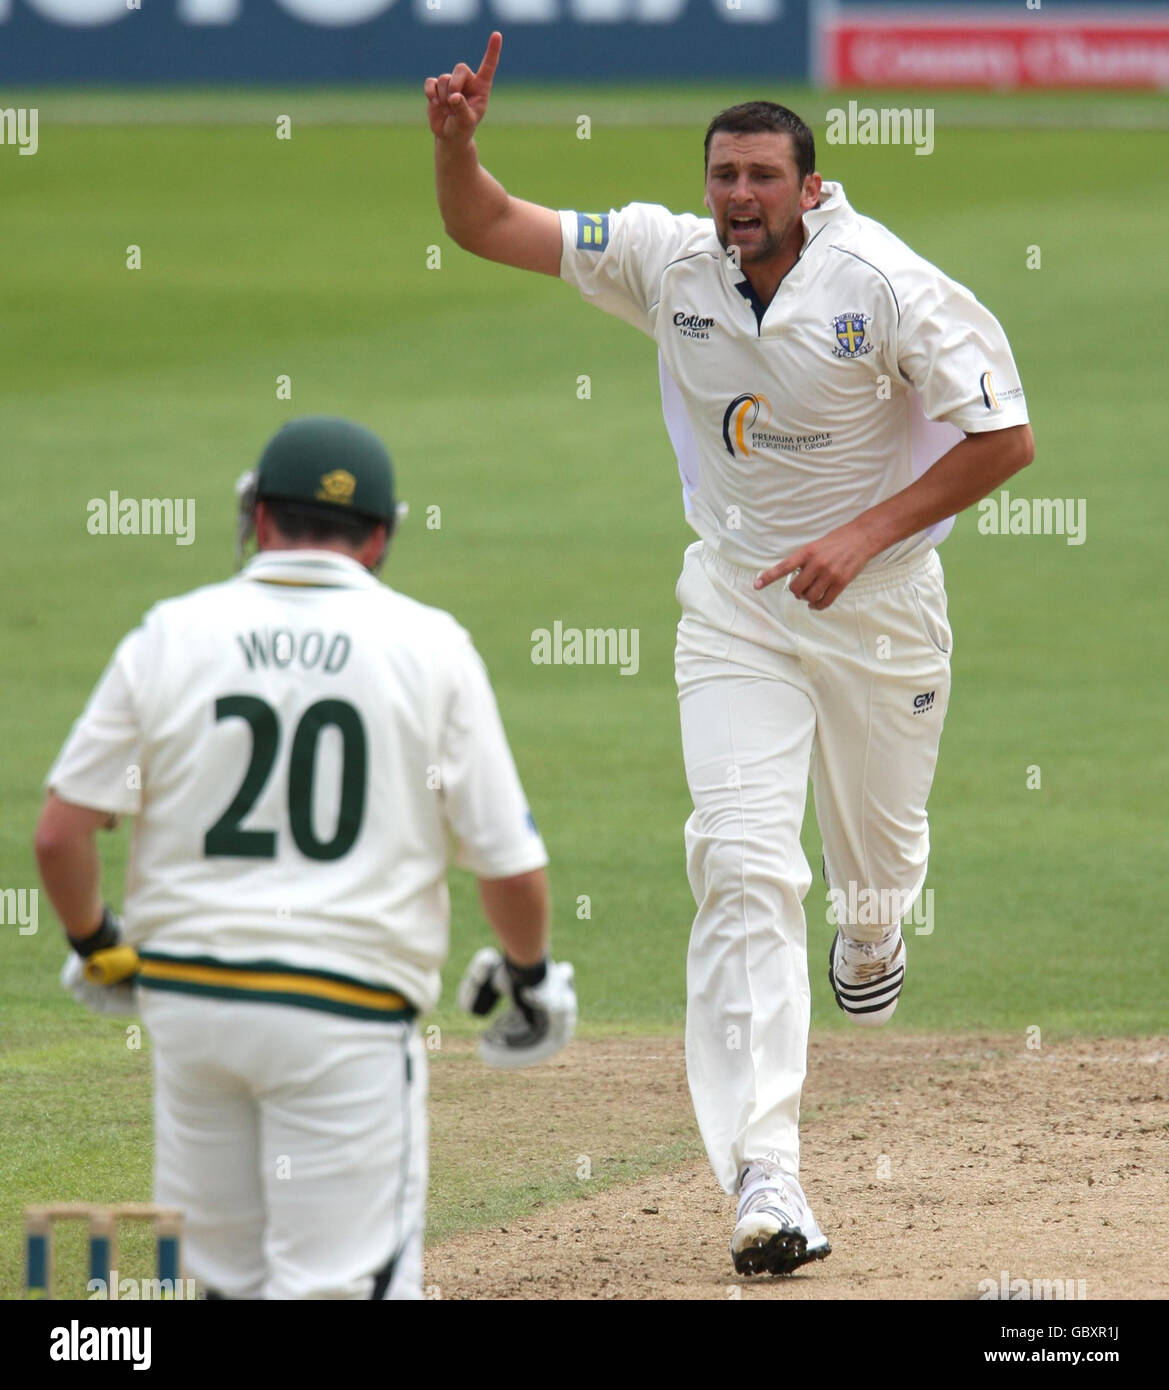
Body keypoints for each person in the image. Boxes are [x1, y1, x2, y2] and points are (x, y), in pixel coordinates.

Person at [425, 33, 1034, 1276]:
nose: (739, 196)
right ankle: (768, 1178)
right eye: (722, 175)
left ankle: (872, 936)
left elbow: (1003, 436)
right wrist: (456, 145)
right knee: (743, 864)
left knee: (876, 876)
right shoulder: (667, 258)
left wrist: (858, 536)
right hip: (736, 607)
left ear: (808, 187)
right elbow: (485, 225)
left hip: (880, 613)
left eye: (761, 176)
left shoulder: (884, 281)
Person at [34, 416, 577, 1300]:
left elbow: (59, 834)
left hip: (192, 1010)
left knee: (222, 1283)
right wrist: (531, 978)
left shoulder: (172, 633)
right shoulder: (431, 646)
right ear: (381, 536)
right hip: (345, 1017)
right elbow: (508, 868)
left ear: (256, 516)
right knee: (337, 1287)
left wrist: (101, 949)